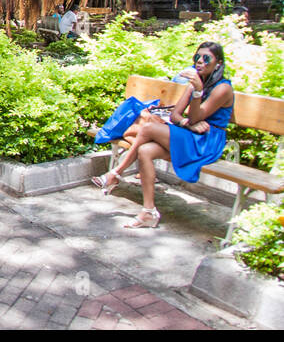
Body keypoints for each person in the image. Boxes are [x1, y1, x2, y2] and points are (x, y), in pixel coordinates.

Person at [91, 41, 234, 229]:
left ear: (218, 64)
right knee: (145, 150)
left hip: (207, 141)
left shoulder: (223, 88)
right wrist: (186, 123)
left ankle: (116, 173)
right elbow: (177, 115)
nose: (200, 61)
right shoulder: (195, 84)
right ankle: (148, 212)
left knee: (149, 127)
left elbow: (197, 116)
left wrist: (197, 95)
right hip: (191, 134)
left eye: (206, 58)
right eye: (197, 57)